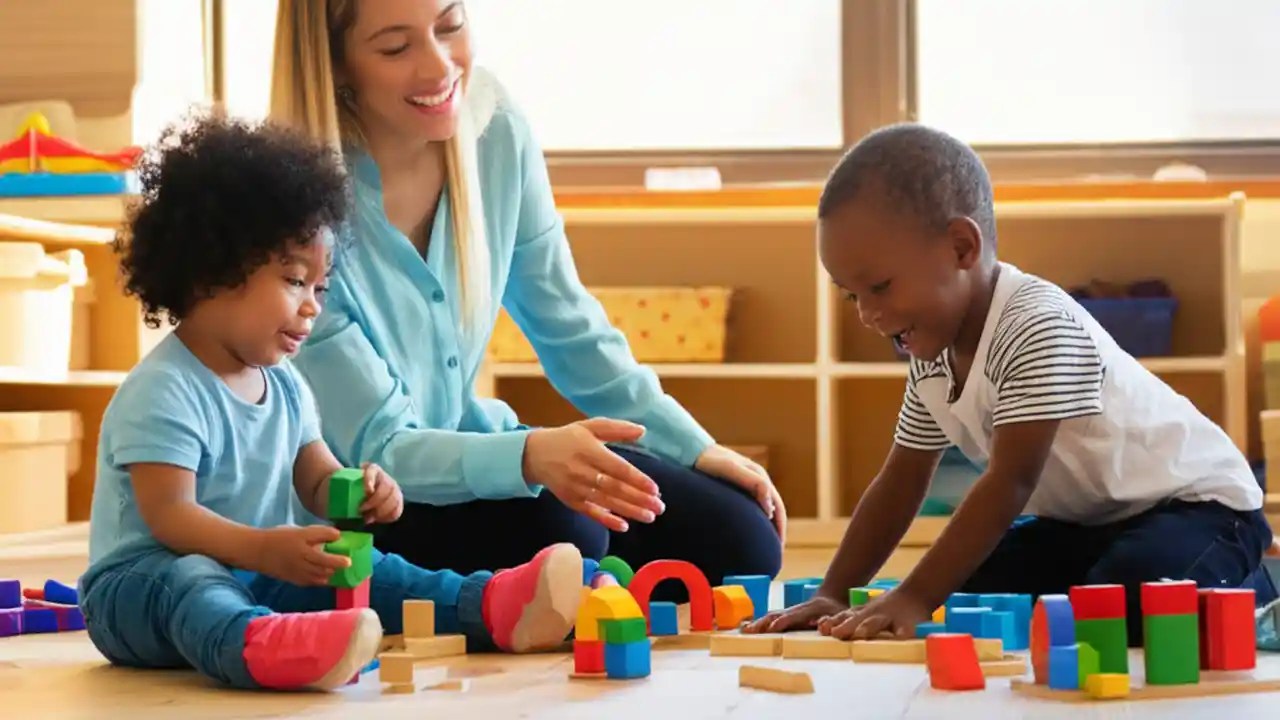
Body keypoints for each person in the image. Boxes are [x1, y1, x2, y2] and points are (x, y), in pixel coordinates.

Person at [269, 0, 784, 592]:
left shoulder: (494, 132)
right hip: (373, 500)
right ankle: (581, 578)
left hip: (478, 456)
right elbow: (382, 446)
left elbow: (569, 328)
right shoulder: (296, 208)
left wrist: (694, 448)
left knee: (743, 539)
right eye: (395, 47)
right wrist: (530, 457)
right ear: (335, 65)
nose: (440, 67)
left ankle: (584, 582)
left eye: (450, 26)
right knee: (565, 528)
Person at [79, 113, 586, 693]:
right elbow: (172, 517)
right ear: (211, 273)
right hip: (138, 589)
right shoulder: (165, 389)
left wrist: (366, 491)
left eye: (321, 288)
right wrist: (266, 548)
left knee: (365, 564)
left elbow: (318, 481)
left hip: (249, 571)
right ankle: (261, 650)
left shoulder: (287, 385)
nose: (313, 306)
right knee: (190, 578)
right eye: (295, 281)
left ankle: (490, 605)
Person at [744, 122, 1276, 645]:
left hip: (1200, 509)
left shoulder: (1033, 325)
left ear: (960, 248)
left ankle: (1251, 588)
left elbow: (1010, 483)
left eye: (880, 287)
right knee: (977, 592)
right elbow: (900, 480)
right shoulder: (930, 349)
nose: (866, 314)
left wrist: (912, 597)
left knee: (1130, 603)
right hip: (1089, 523)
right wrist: (836, 590)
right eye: (851, 296)